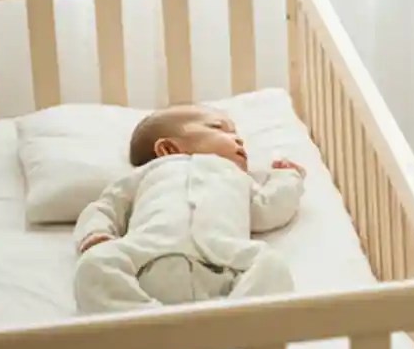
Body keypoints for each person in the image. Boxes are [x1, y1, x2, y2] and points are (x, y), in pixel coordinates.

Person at [73, 105, 306, 313]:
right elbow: (105, 206)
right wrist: (96, 235)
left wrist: (286, 177)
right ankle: (146, 322)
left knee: (271, 265)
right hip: (147, 258)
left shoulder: (238, 179)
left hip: (226, 263)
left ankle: (229, 321)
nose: (239, 140)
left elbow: (270, 207)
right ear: (168, 148)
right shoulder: (145, 175)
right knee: (93, 266)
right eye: (220, 128)